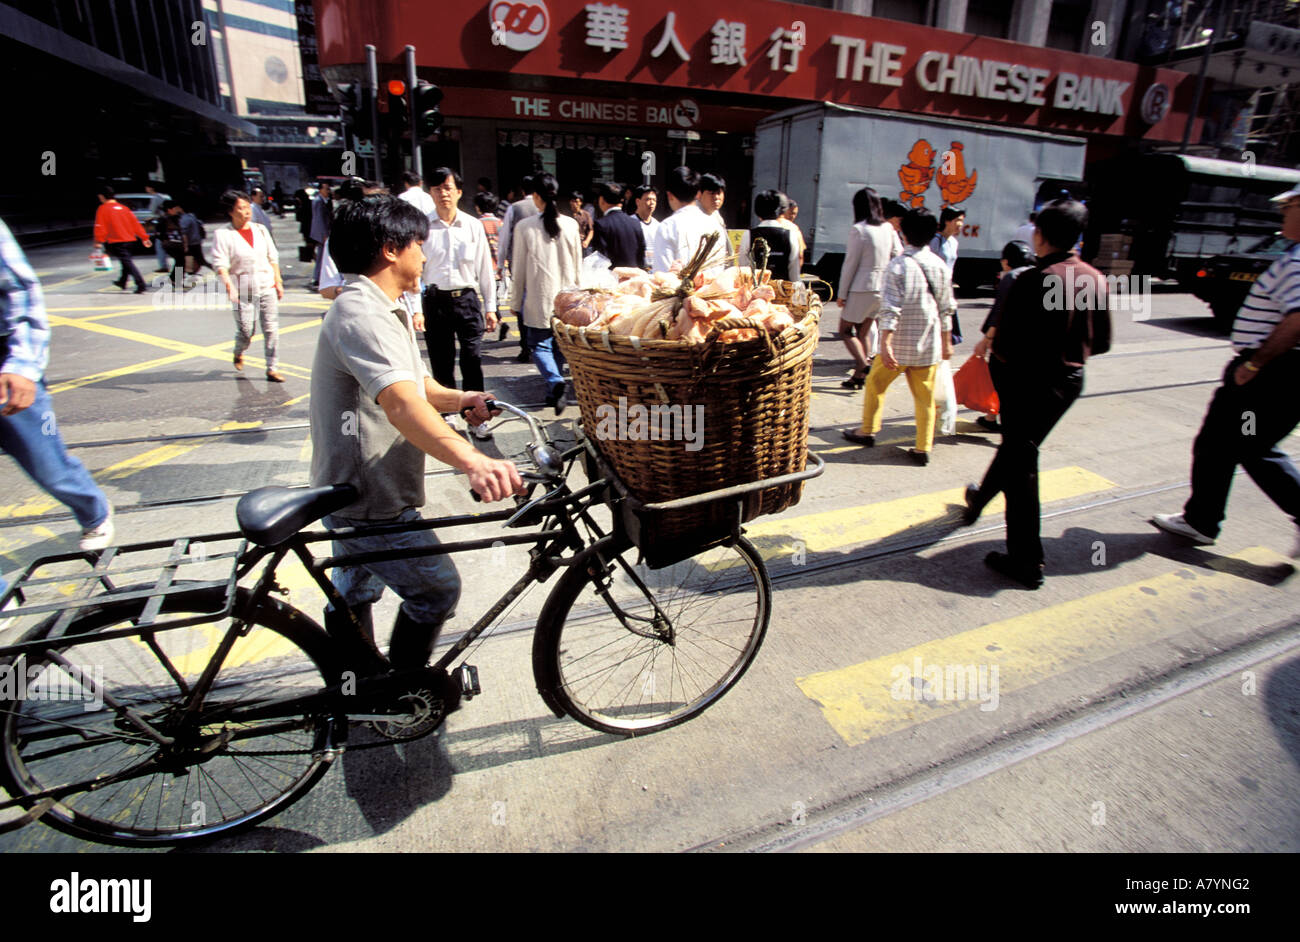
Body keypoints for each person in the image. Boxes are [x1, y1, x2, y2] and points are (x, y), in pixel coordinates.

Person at [311, 195, 524, 672]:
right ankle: (403, 689)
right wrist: (475, 461)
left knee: (353, 591)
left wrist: (461, 399)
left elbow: (418, 386)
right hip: (369, 497)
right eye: (418, 244)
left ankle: (356, 683)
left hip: (355, 488)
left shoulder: (384, 308)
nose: (425, 256)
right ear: (391, 249)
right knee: (436, 590)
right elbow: (403, 405)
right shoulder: (361, 315)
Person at [962, 199, 1109, 588]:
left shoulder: (1033, 280)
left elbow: (1006, 346)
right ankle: (978, 501)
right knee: (1017, 450)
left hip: (1027, 386)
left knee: (1022, 465)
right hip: (1069, 383)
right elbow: (1103, 342)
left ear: (1039, 236)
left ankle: (1027, 561)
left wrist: (1002, 376)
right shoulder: (1094, 278)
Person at [1152, 186, 1300, 550]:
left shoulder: (1298, 262)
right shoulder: (1293, 255)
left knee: (1250, 446)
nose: (1283, 213)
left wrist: (1254, 362)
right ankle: (1201, 519)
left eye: (1291, 206)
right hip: (1275, 372)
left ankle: (1203, 519)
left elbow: (1298, 318)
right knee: (1222, 444)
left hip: (1271, 374)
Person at [0, 217, 114, 572]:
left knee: (48, 466)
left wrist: (22, 363)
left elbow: (19, 289)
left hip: (6, 367)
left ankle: (93, 511)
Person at [841, 208, 954, 466]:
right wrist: (946, 341)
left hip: (899, 345)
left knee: (875, 385)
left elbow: (890, 308)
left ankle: (867, 431)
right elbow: (947, 306)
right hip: (928, 344)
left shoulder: (898, 265)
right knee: (924, 398)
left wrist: (885, 342)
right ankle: (923, 447)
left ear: (903, 232)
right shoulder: (939, 265)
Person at [419, 167, 498, 441]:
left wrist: (491, 306)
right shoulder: (423, 226)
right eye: (438, 188)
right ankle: (448, 416)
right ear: (430, 192)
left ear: (459, 192)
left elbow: (485, 269)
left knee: (472, 360)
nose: (444, 194)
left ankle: (477, 419)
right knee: (441, 362)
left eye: (448, 188)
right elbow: (414, 271)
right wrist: (415, 310)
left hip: (466, 300)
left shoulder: (472, 225)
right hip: (434, 301)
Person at [511, 173, 581, 415]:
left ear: (536, 196)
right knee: (559, 345)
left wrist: (514, 300)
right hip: (568, 298)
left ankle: (554, 382)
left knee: (539, 345)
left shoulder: (524, 227)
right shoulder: (571, 224)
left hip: (538, 299)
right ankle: (553, 391)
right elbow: (578, 264)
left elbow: (518, 268)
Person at [211, 189, 285, 383]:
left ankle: (272, 367)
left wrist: (278, 280)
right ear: (230, 211)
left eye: (247, 207)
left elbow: (273, 257)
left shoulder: (260, 230)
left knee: (271, 328)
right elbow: (221, 264)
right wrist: (229, 287)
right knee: (246, 330)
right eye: (240, 208)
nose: (246, 212)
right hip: (242, 289)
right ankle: (238, 350)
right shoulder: (223, 234)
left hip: (266, 284)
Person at [837, 186, 902, 390]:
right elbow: (898, 255)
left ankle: (863, 365)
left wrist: (841, 294)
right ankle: (859, 377)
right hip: (881, 289)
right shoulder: (888, 229)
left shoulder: (859, 229)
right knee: (864, 332)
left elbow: (850, 264)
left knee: (846, 330)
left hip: (861, 286)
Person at [972, 240, 1037, 432]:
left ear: (1006, 261)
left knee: (1000, 380)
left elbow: (999, 313)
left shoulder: (1011, 277)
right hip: (1034, 341)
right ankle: (991, 417)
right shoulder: (1039, 273)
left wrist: (986, 339)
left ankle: (1001, 422)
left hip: (1009, 342)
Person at [652, 167, 727, 274]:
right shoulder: (715, 226)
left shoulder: (667, 226)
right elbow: (719, 270)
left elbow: (662, 275)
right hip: (711, 289)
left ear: (670, 195)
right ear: (698, 194)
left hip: (677, 289)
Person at [499, 176, 540, 362]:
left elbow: (504, 238)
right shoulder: (548, 207)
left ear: (522, 191)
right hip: (543, 267)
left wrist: (501, 265)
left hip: (520, 266)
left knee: (522, 307)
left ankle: (526, 348)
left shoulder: (515, 208)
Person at [93, 186, 151, 294]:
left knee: (127, 262)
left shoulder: (103, 208)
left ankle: (140, 284)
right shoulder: (124, 208)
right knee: (126, 261)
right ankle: (122, 281)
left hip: (117, 240)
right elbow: (135, 224)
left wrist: (98, 241)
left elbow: (100, 226)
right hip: (130, 240)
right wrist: (144, 237)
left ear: (101, 196)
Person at [738, 189, 800, 281]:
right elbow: (794, 275)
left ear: (758, 211)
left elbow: (744, 269)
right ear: (782, 211)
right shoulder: (790, 236)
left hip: (754, 293)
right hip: (783, 292)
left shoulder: (748, 235)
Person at [475, 192, 508, 340]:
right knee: (495, 298)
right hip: (500, 268)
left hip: (484, 268)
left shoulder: (476, 224)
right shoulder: (500, 223)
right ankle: (499, 321)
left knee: (489, 298)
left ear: (478, 207)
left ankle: (499, 321)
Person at [590, 181, 645, 269]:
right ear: (622, 200)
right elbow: (641, 256)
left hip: (612, 279)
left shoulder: (601, 224)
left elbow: (601, 259)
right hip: (634, 278)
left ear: (601, 200)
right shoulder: (635, 223)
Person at [156, 200, 188, 286]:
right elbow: (159, 233)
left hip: (178, 243)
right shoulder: (163, 219)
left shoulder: (177, 217)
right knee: (180, 261)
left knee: (180, 261)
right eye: (175, 209)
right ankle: (175, 280)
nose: (177, 210)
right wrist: (165, 241)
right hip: (170, 244)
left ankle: (173, 279)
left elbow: (181, 231)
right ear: (169, 210)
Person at [309, 182, 333, 286]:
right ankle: (317, 277)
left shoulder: (323, 201)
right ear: (320, 190)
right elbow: (319, 219)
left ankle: (318, 276)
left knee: (322, 256)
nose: (328, 191)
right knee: (321, 257)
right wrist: (324, 235)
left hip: (323, 233)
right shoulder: (318, 201)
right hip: (322, 234)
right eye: (326, 189)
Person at [632, 184, 659, 269]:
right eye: (648, 199)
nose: (652, 203)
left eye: (654, 200)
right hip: (635, 270)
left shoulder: (658, 225)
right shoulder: (630, 223)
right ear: (638, 201)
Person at [144, 184, 169, 273]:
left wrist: (151, 218)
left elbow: (152, 211)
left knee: (160, 246)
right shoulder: (166, 196)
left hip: (163, 225)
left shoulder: (155, 198)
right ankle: (177, 281)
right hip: (173, 227)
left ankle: (164, 266)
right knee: (178, 256)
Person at [778, 196, 807, 265]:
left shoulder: (767, 225)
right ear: (784, 212)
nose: (793, 216)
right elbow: (800, 254)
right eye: (791, 213)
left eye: (795, 214)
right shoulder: (793, 228)